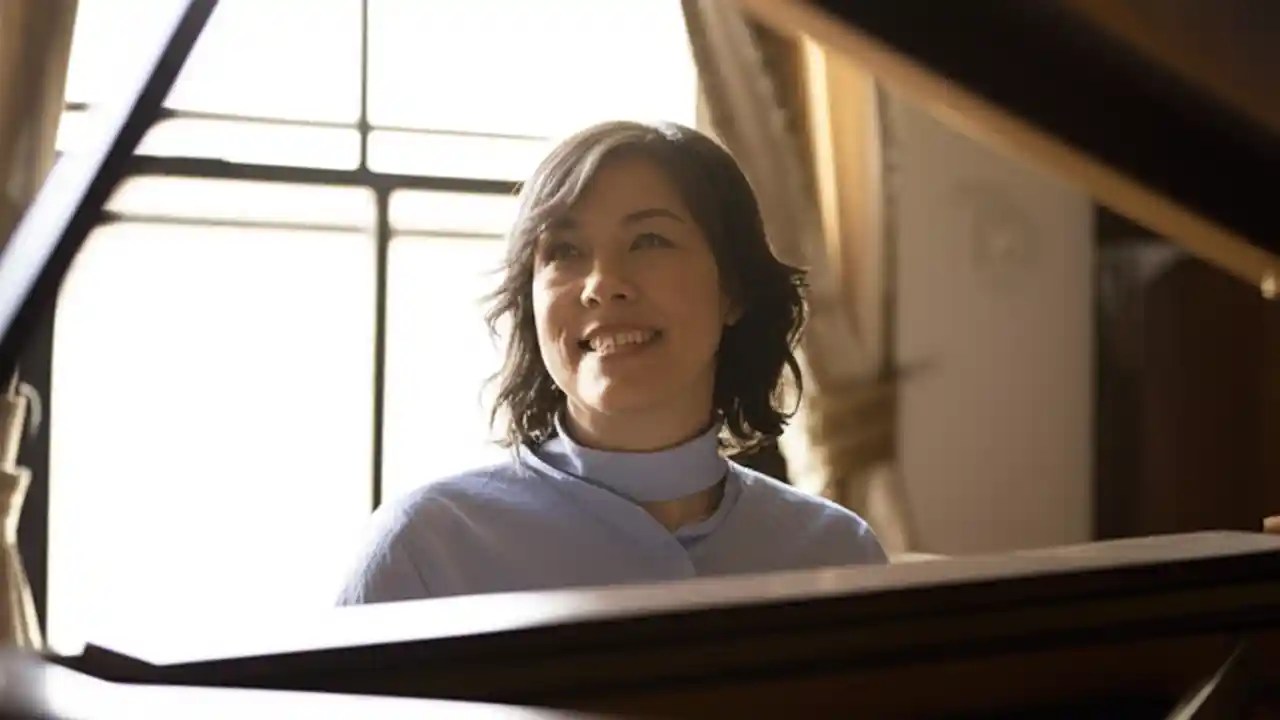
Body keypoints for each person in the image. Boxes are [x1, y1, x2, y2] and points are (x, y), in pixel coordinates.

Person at [337, 120, 886, 606]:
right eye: (565, 252)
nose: (602, 286)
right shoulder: (425, 551)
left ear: (734, 289)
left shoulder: (836, 554)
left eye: (649, 240)